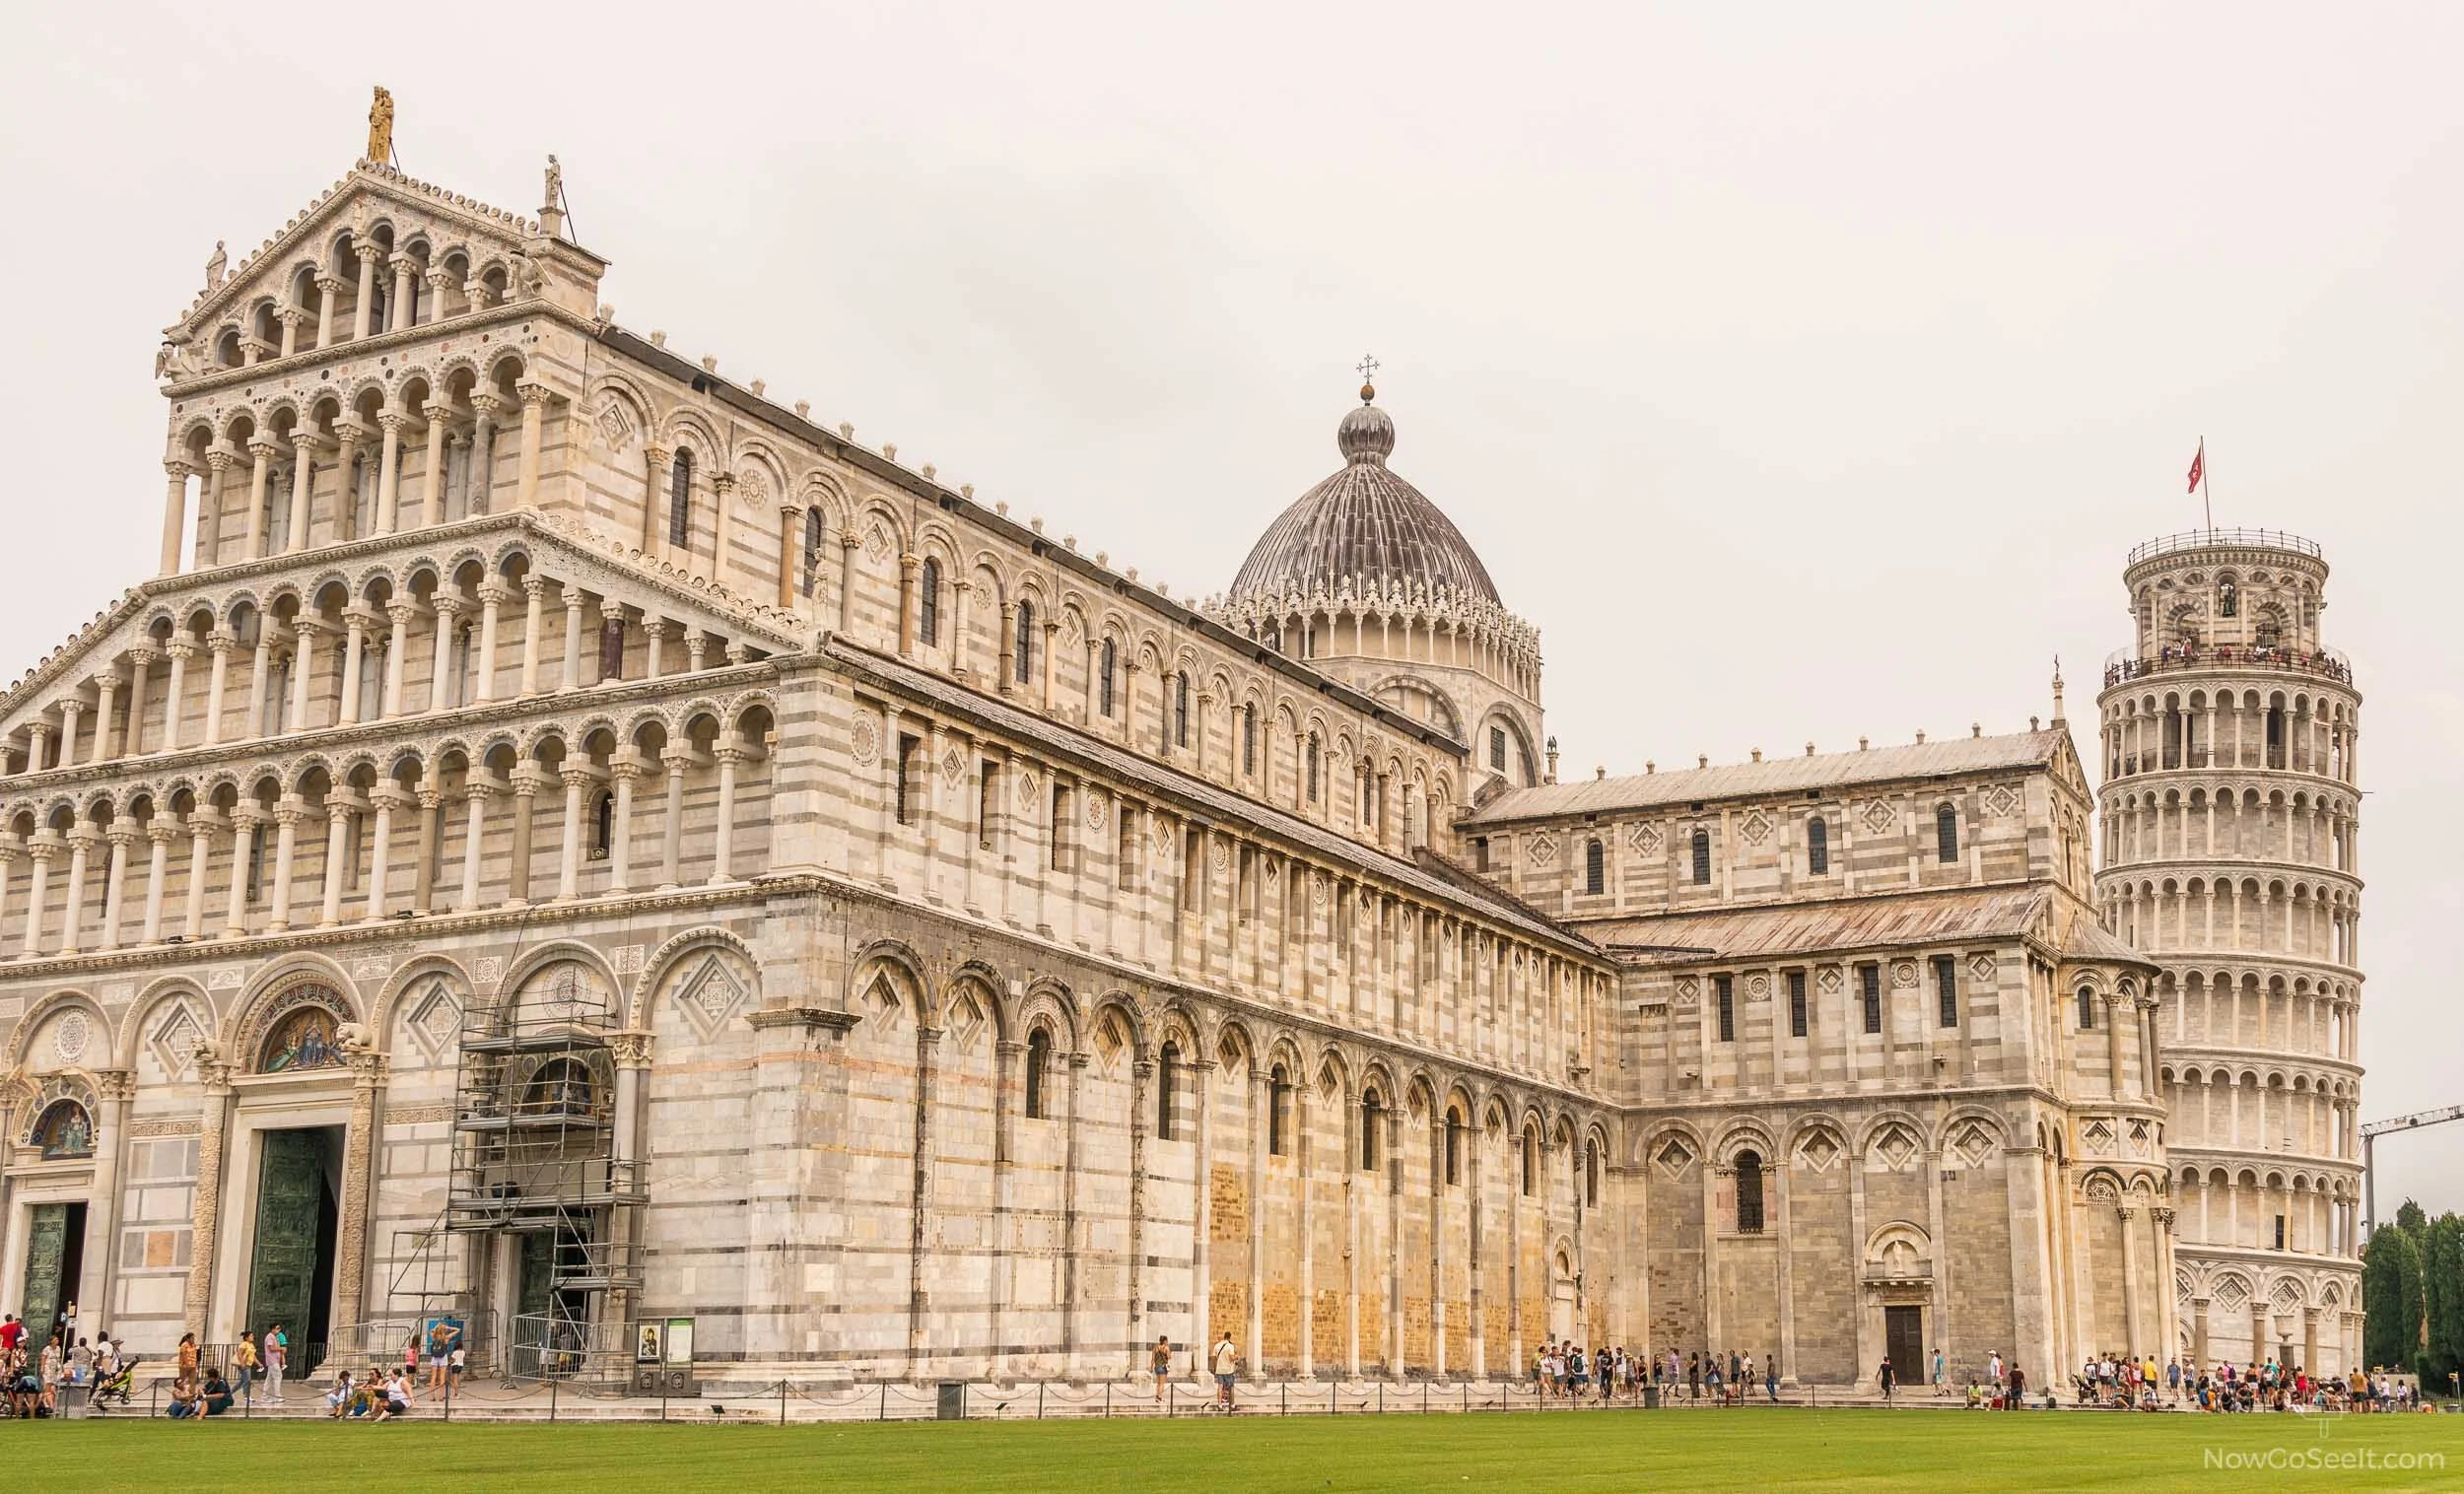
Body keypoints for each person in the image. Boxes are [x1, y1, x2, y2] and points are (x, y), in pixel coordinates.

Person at [1211, 1332, 1238, 1411]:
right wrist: (1236, 1357)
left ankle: (1220, 1405)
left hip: (1219, 1369)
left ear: (1224, 1337)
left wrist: (1215, 1366)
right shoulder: (1230, 1346)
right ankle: (1232, 1405)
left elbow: (1213, 1357)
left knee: (1220, 1387)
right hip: (1228, 1370)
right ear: (1229, 1338)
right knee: (1231, 1387)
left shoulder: (1217, 1345)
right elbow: (1231, 1358)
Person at [233, 1330, 259, 1407]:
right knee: (247, 1380)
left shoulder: (251, 1345)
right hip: (244, 1365)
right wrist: (242, 1363)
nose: (252, 1337)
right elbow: (239, 1353)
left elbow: (253, 1356)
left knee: (242, 1381)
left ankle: (229, 1393)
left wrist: (258, 1363)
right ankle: (246, 1396)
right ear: (246, 1338)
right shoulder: (244, 1344)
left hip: (248, 1364)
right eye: (251, 1336)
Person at [263, 1323, 287, 1404]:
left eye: (279, 1328)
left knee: (269, 1379)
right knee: (278, 1376)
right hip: (272, 1360)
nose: (278, 1330)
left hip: (274, 1361)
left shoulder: (274, 1337)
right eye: (277, 1328)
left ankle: (265, 1396)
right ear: (272, 1329)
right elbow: (271, 1348)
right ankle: (277, 1396)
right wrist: (281, 1348)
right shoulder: (270, 1337)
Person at [1150, 1334, 1172, 1403]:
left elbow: (1153, 1359)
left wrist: (1151, 1367)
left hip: (1156, 1367)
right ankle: (1160, 1397)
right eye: (1166, 1341)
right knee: (1162, 1383)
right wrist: (1170, 1354)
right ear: (1165, 1341)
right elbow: (1169, 1357)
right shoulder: (1166, 1348)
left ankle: (1157, 1396)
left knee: (1158, 1383)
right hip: (1163, 1367)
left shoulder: (1155, 1348)